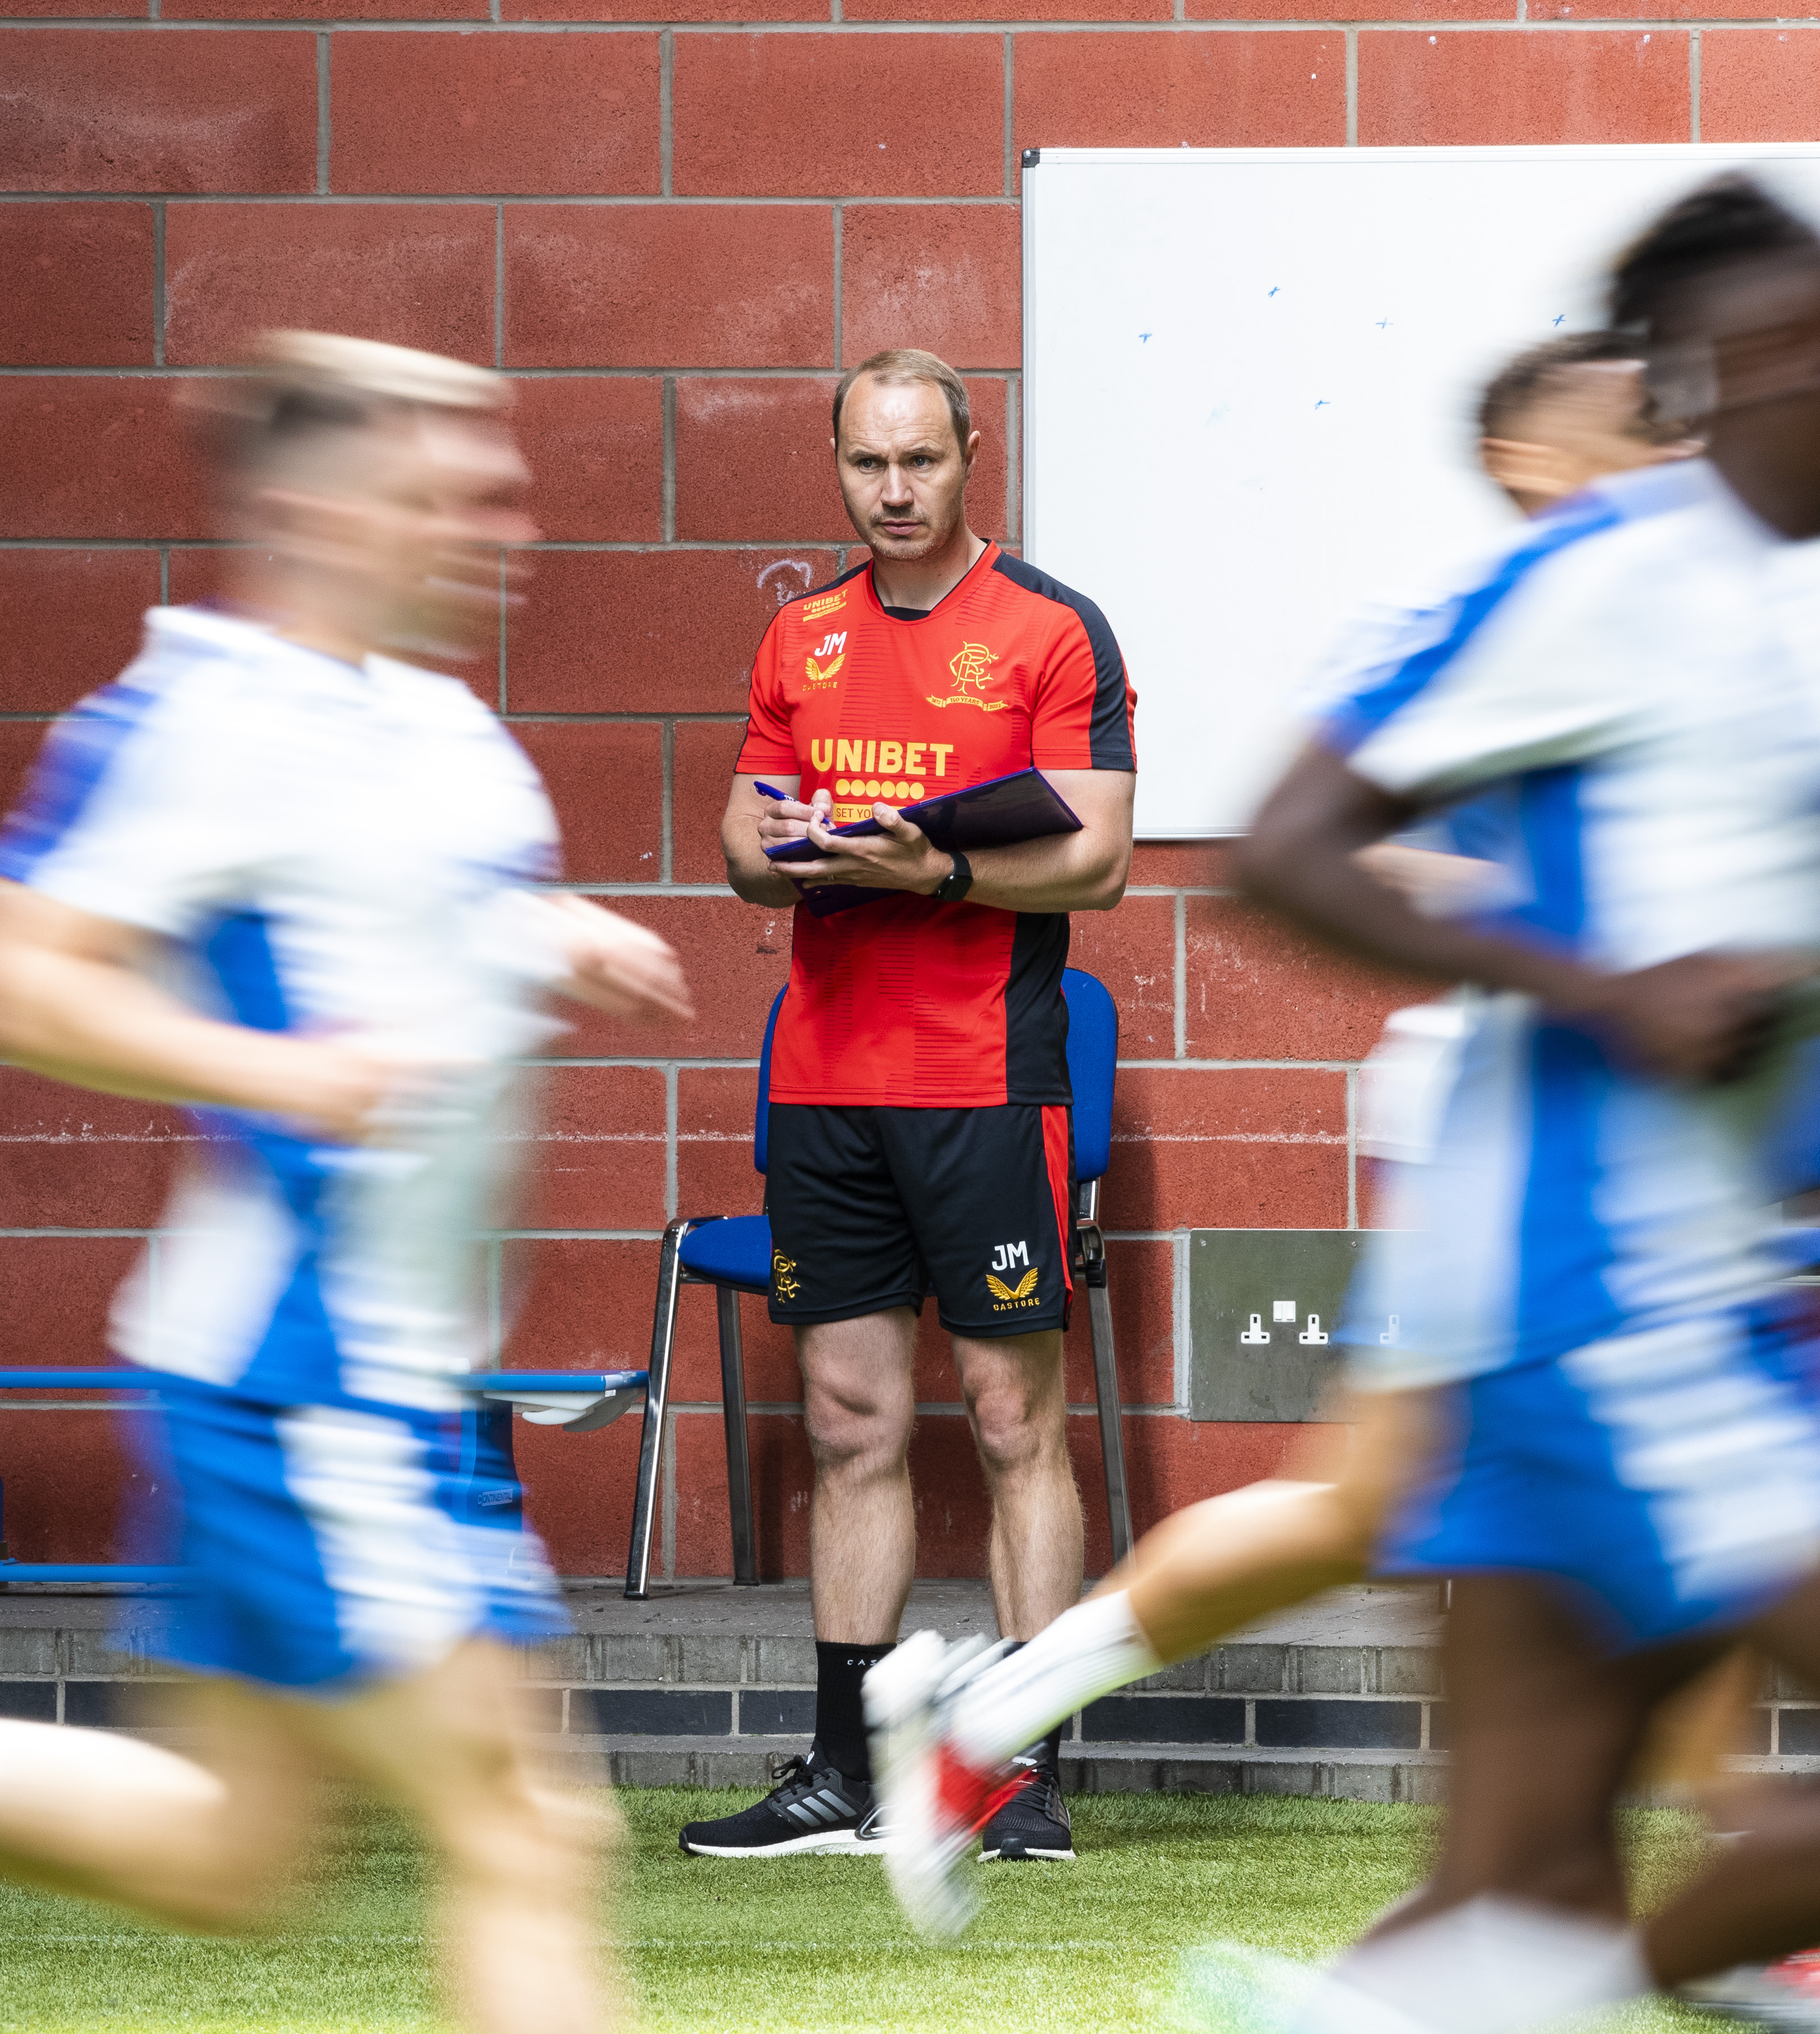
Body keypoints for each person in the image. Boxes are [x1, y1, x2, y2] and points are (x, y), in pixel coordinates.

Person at [1180, 178, 1820, 2034]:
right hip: (1629, 1316)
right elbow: (1292, 847)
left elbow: (1776, 985)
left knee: (1510, 1882)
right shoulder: (1608, 575)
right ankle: (1526, 1994)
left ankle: (1467, 1990)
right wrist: (1605, 990)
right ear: (1753, 372)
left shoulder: (1743, 622)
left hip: (1597, 1317)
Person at [861, 328, 1712, 1938]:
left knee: (1464, 1506)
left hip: (1616, 1126)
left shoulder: (1661, 621)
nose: (1676, 446)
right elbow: (1331, 852)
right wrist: (1570, 939)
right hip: (1512, 1117)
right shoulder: (1505, 620)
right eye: (1638, 422)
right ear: (1534, 460)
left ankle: (979, 1721)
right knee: (1546, 1501)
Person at [0, 332, 693, 2034]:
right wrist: (273, 1075)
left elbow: (402, 925)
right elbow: (8, 973)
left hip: (381, 1382)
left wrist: (545, 937)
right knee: (525, 1830)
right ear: (310, 515)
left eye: (499, 490)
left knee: (233, 1855)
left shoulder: (432, 721)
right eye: (444, 497)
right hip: (304, 1385)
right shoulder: (206, 715)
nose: (503, 528)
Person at [676, 347, 1137, 1865]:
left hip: (988, 1081)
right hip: (825, 1080)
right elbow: (743, 838)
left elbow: (1098, 858)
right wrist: (799, 848)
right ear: (837, 460)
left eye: (920, 462)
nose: (893, 492)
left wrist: (930, 867)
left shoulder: (1050, 627)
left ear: (968, 452)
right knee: (847, 1421)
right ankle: (842, 1775)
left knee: (1013, 1420)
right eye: (867, 465)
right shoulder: (797, 639)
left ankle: (1021, 1779)